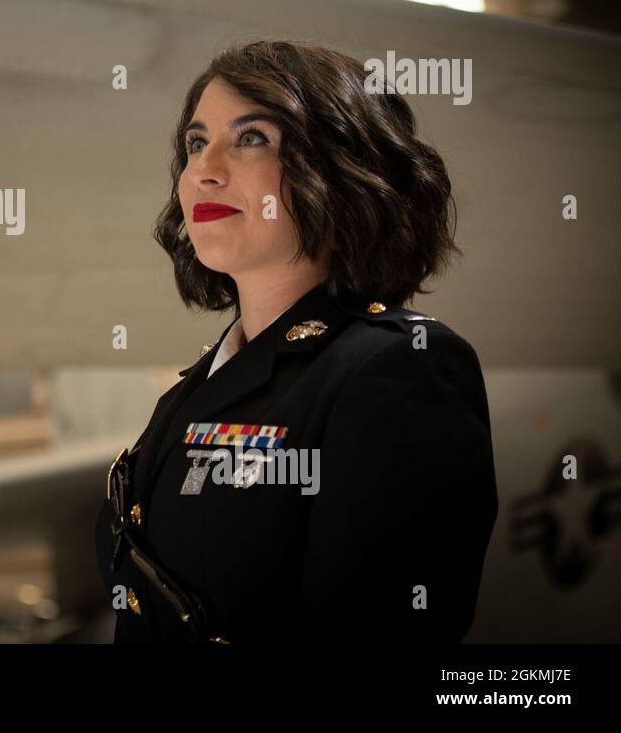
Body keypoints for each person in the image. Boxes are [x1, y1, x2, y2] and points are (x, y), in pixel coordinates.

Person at [94, 40, 498, 643]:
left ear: (339, 168)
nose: (203, 169)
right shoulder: (206, 381)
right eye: (196, 142)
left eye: (251, 137)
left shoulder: (400, 371)